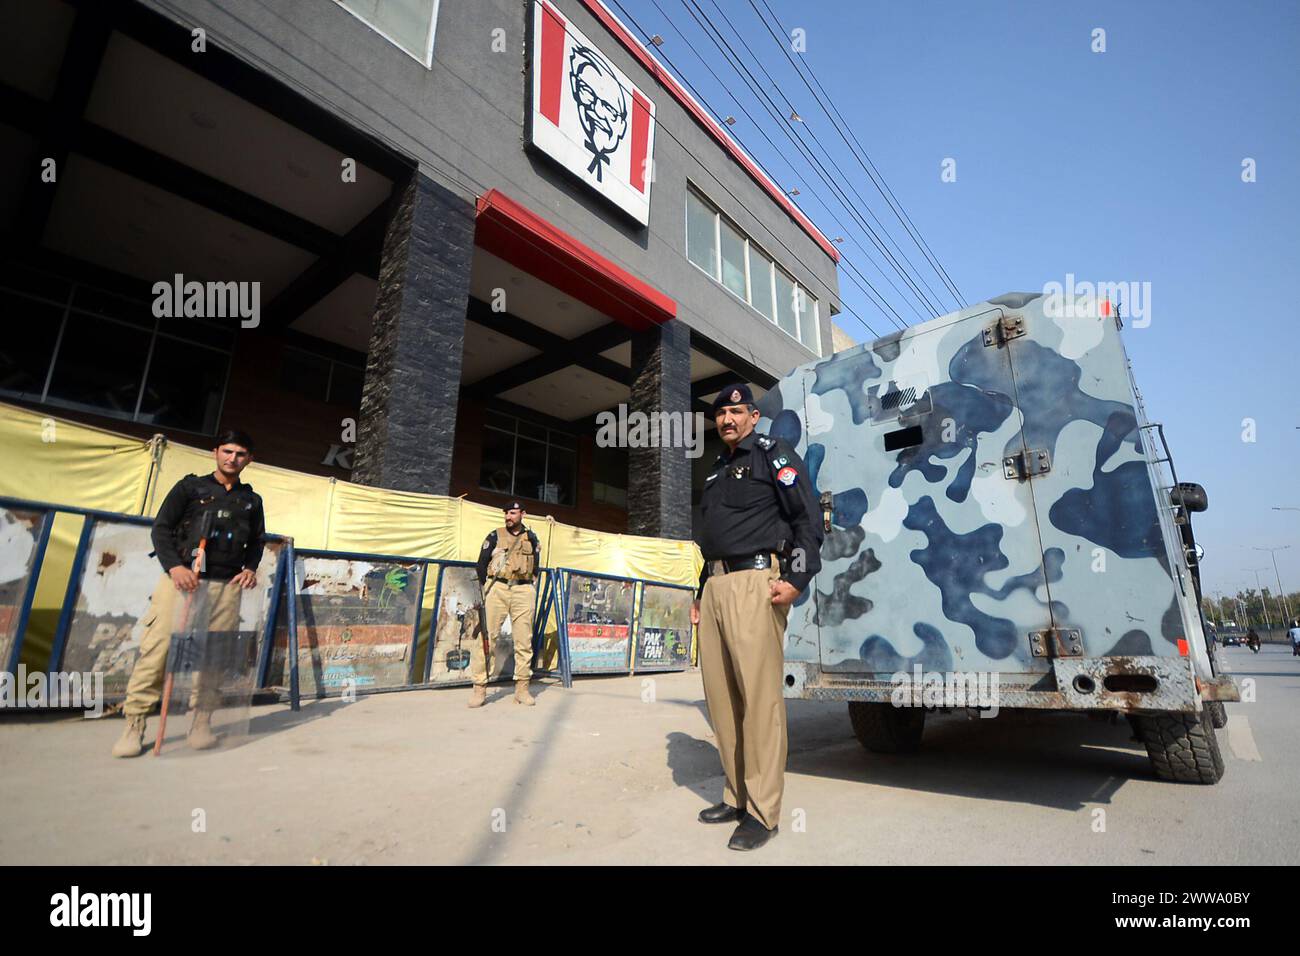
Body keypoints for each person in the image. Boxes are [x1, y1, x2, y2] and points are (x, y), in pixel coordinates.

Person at [691, 384, 823, 851]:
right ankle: (736, 795)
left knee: (759, 701)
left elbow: (807, 518)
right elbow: (711, 538)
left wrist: (797, 578)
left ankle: (763, 812)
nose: (727, 419)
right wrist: (699, 590)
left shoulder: (773, 454)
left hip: (756, 583)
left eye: (735, 411)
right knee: (723, 700)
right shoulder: (715, 470)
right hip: (715, 587)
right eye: (720, 413)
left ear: (751, 415)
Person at [112, 430, 265, 757]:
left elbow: (257, 541)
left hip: (226, 587)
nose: (232, 459)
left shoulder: (251, 500)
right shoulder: (190, 488)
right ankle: (134, 725)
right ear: (215, 452)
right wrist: (174, 568)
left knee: (212, 657)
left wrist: (250, 568)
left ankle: (201, 721)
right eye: (227, 451)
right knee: (159, 650)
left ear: (249, 459)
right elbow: (162, 528)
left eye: (240, 454)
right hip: (182, 581)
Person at [470, 500, 542, 708]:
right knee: (487, 638)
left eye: (512, 513)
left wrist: (528, 586)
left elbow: (536, 565)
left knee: (524, 640)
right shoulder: (495, 535)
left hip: (523, 589)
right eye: (506, 513)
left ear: (522, 514)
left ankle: (522, 689)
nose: (508, 517)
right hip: (498, 588)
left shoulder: (532, 537)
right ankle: (480, 688)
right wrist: (488, 590)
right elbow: (481, 564)